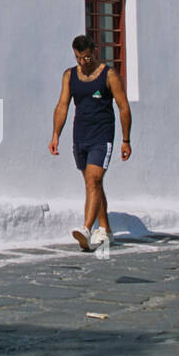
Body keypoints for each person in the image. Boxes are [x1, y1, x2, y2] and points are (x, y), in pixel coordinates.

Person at [49, 35, 131, 250]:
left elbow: (123, 107)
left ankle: (86, 228)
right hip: (80, 136)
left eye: (86, 57)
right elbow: (62, 106)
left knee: (93, 181)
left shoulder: (109, 75)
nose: (83, 62)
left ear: (94, 51)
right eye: (78, 58)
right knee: (92, 183)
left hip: (102, 136)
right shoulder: (69, 75)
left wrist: (126, 140)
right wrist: (56, 134)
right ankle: (105, 229)